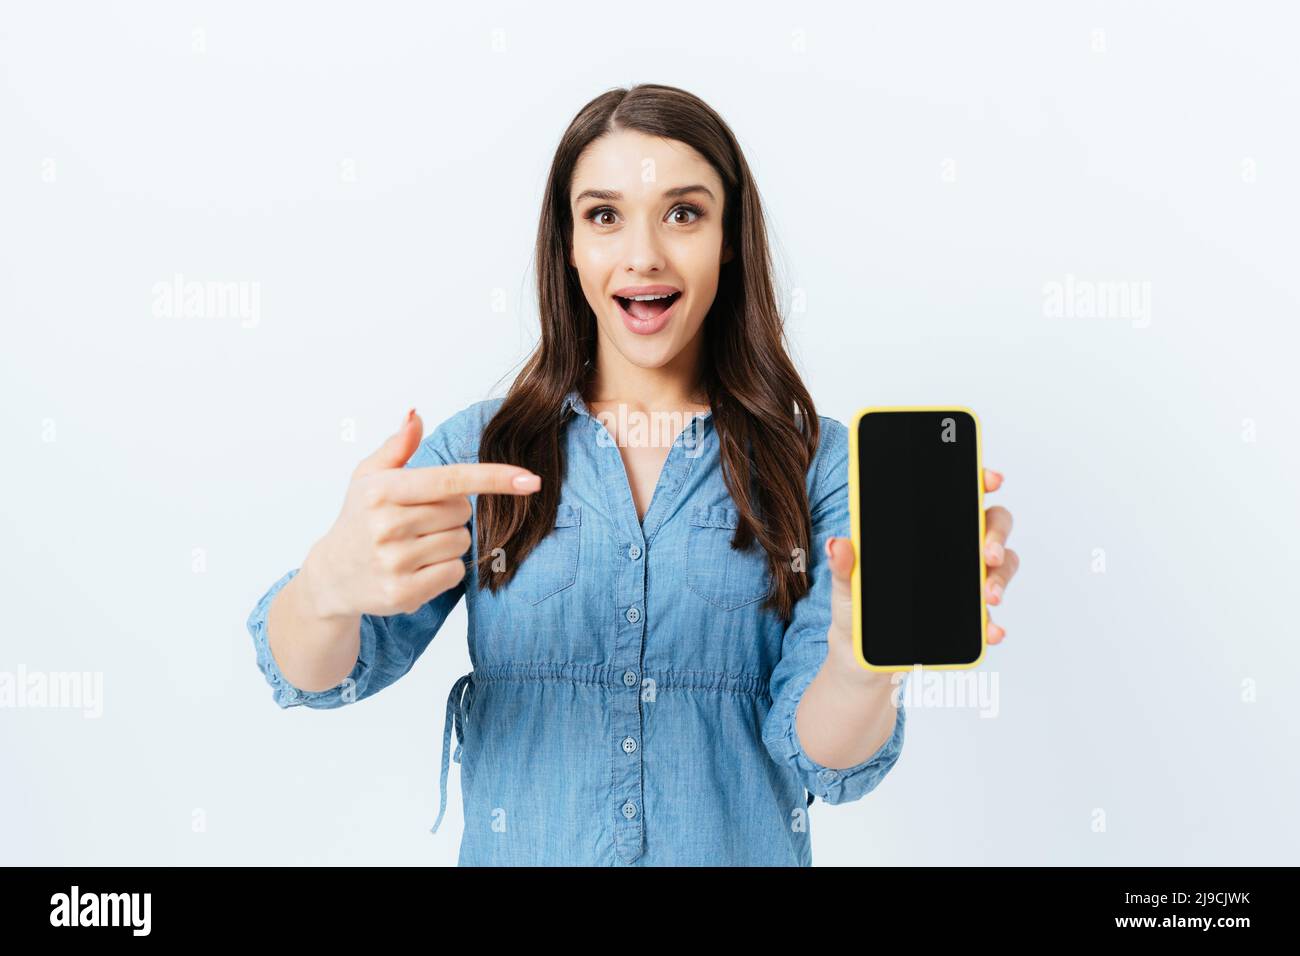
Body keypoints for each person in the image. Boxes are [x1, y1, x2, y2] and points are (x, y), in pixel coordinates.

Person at [246, 83, 1020, 865]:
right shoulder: (478, 454)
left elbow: (826, 759)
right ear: (569, 244)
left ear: (727, 238)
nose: (642, 253)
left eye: (683, 212)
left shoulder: (820, 466)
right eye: (604, 215)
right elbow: (309, 676)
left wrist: (860, 667)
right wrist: (326, 589)